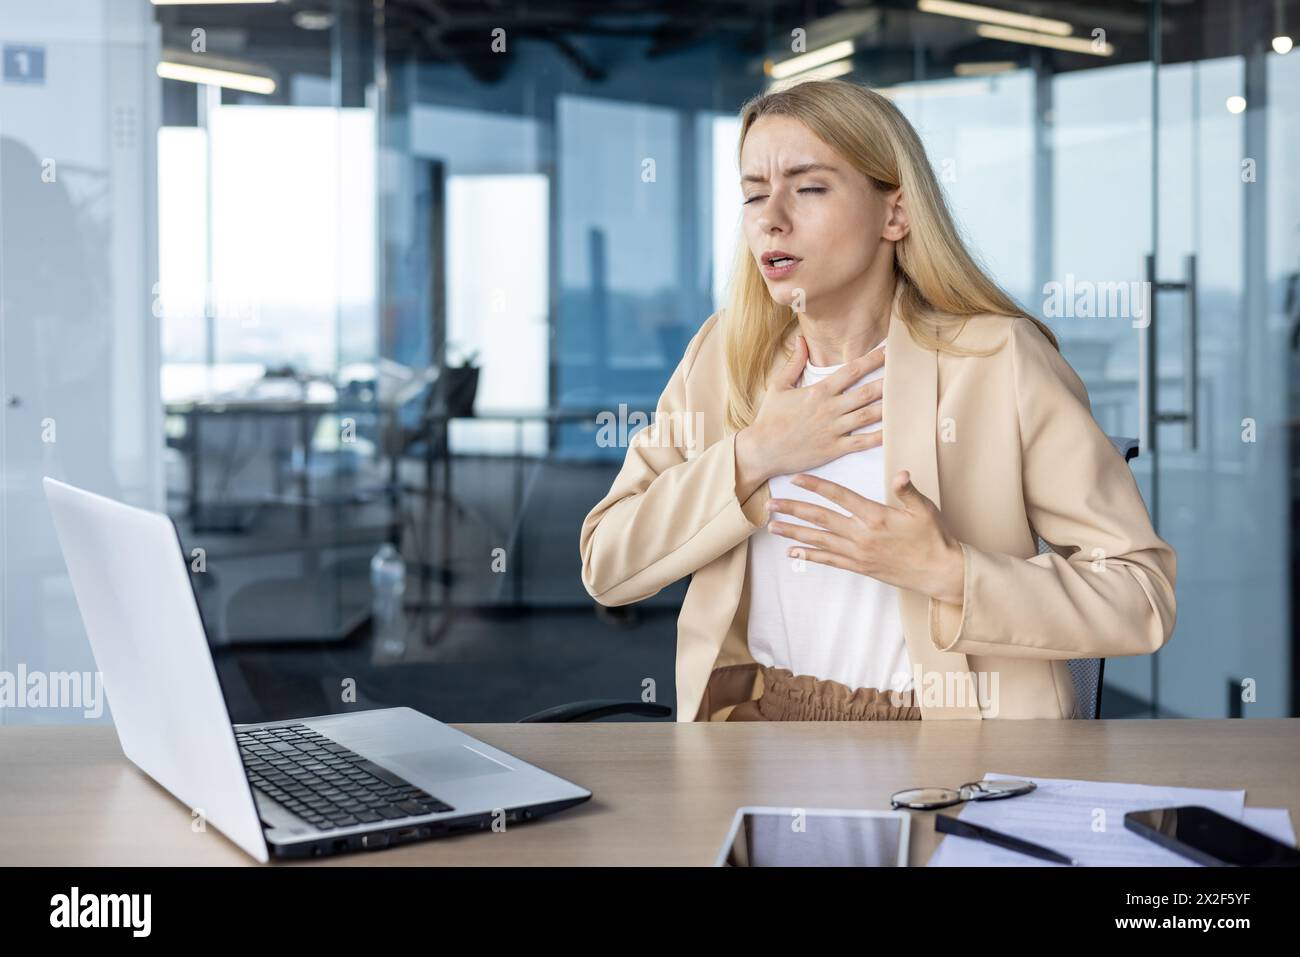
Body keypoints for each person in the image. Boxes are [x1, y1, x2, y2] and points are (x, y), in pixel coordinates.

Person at [579, 79, 1176, 722]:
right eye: (754, 193)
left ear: (895, 213)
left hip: (951, 751)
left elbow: (1142, 597)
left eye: (808, 187)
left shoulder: (998, 360)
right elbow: (609, 565)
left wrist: (951, 573)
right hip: (758, 736)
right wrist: (755, 454)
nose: (770, 217)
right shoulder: (723, 357)